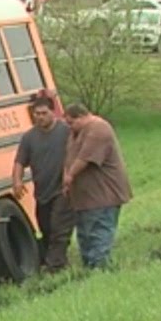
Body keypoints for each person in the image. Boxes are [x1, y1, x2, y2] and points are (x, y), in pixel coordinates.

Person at [62, 103, 133, 269]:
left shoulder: (99, 128)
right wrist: (66, 180)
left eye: (71, 122)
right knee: (85, 236)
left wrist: (70, 176)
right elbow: (69, 157)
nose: (69, 127)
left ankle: (101, 269)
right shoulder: (76, 133)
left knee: (99, 234)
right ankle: (90, 269)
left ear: (81, 117)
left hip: (104, 195)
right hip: (85, 199)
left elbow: (85, 158)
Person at [11, 95, 74, 273]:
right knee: (45, 228)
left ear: (53, 112)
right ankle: (57, 260)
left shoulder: (66, 131)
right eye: (36, 114)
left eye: (44, 113)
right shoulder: (29, 137)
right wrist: (17, 181)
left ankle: (55, 266)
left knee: (59, 227)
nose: (40, 117)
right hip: (42, 192)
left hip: (62, 189)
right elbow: (19, 162)